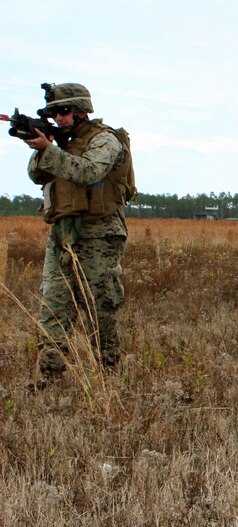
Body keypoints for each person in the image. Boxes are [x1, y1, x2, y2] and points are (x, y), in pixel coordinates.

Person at [22, 82, 133, 376]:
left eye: (64, 111)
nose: (59, 118)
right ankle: (49, 377)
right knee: (53, 306)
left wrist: (49, 148)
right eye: (53, 113)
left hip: (99, 233)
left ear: (82, 111)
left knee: (99, 307)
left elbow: (88, 172)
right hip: (61, 233)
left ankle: (108, 372)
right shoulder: (63, 144)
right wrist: (43, 145)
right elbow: (36, 175)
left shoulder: (106, 140)